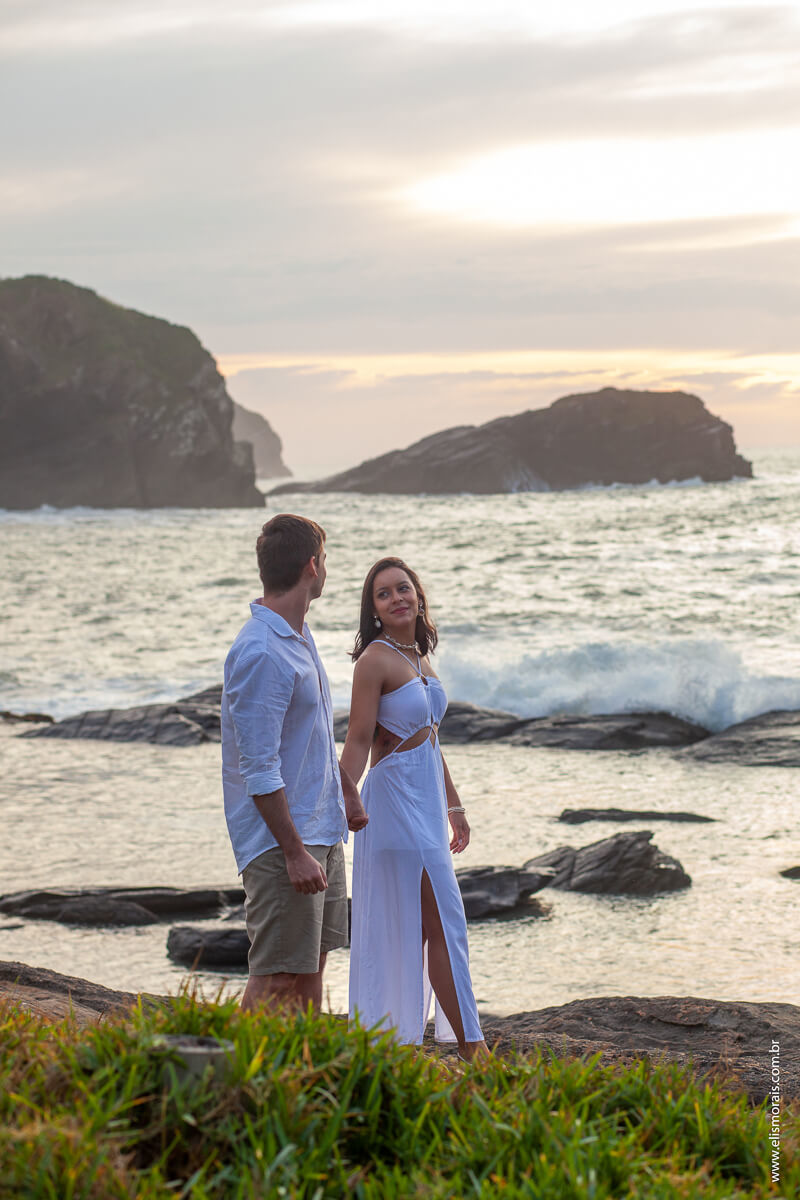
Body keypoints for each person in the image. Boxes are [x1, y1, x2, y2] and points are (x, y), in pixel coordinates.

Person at [341, 557, 487, 1061]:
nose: (397, 597)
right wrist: (346, 794)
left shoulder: (422, 657)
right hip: (392, 802)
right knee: (440, 922)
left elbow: (431, 740)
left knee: (437, 925)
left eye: (404, 588)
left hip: (427, 802)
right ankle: (474, 1051)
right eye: (384, 594)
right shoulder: (375, 661)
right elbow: (358, 740)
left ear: (418, 596)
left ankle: (410, 1044)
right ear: (374, 610)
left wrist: (456, 805)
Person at [221, 513, 367, 1013]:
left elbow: (311, 740)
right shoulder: (263, 651)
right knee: (277, 977)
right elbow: (259, 767)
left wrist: (344, 792)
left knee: (311, 970)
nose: (324, 569)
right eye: (324, 560)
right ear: (311, 566)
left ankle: (297, 1084)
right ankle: (232, 1086)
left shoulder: (297, 637)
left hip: (319, 830)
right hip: (285, 843)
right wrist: (292, 852)